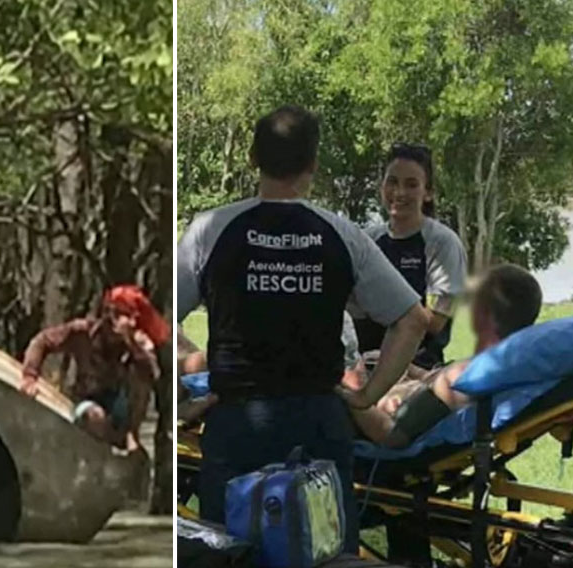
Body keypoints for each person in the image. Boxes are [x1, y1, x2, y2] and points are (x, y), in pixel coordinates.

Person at [176, 105, 429, 554]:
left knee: (228, 558)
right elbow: (412, 319)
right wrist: (366, 397)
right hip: (318, 424)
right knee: (324, 552)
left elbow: (152, 321)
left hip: (237, 424)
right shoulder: (341, 235)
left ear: (252, 158)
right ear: (313, 164)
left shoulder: (210, 230)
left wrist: (180, 401)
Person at [349, 264, 543, 447]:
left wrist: (350, 381)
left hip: (364, 425)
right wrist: (404, 366)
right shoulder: (495, 365)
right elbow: (434, 384)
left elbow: (391, 435)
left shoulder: (465, 376)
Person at [352, 143, 468, 370]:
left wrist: (374, 303)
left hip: (417, 369)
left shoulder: (442, 243)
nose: (399, 192)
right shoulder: (365, 240)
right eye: (392, 182)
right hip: (362, 365)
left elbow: (434, 322)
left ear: (428, 193)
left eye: (411, 184)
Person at [19, 284, 168, 455]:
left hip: (120, 408)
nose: (131, 322)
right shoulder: (83, 332)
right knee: (94, 417)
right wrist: (30, 376)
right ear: (111, 315)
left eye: (133, 317)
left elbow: (153, 374)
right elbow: (42, 341)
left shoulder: (136, 343)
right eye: (125, 315)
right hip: (88, 402)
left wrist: (133, 346)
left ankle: (129, 437)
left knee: (140, 378)